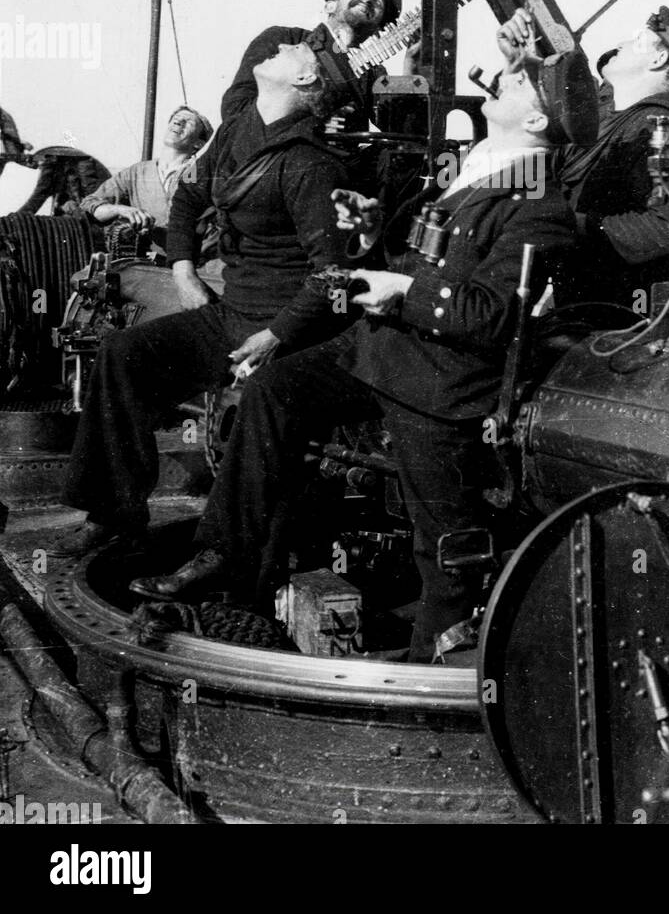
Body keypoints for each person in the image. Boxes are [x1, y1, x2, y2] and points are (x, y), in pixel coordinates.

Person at [128, 44, 599, 664]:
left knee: (447, 547)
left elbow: (490, 316)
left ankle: (437, 666)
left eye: (519, 84)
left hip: (439, 379)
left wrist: (400, 290)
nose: (500, 78)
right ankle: (229, 561)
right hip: (376, 347)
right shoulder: (493, 169)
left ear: (537, 122)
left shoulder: (539, 203)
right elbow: (425, 248)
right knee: (273, 392)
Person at [61, 40, 356, 552]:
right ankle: (113, 515)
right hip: (232, 315)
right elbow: (191, 198)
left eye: (297, 49)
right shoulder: (237, 131)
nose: (282, 44)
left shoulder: (312, 165)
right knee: (122, 354)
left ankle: (223, 552)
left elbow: (335, 274)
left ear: (305, 81)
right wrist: (183, 270)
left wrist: (275, 336)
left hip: (285, 330)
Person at [498, 5, 669, 349]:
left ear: (658, 60)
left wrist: (562, 224)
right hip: (610, 307)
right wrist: (520, 64)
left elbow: (667, 230)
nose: (620, 44)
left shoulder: (668, 132)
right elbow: (533, 168)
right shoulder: (607, 120)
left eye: (636, 41)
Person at [221, 0, 402, 130]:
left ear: (378, 29)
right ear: (330, 6)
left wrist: (413, 67)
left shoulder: (372, 73)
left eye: (377, 2)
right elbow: (236, 108)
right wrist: (312, 126)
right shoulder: (283, 39)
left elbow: (399, 126)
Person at [79, 106, 213, 253]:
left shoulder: (202, 174)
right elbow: (90, 204)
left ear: (198, 144)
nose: (178, 122)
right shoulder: (136, 173)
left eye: (188, 122)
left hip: (197, 264)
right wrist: (120, 209)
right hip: (149, 266)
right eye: (176, 119)